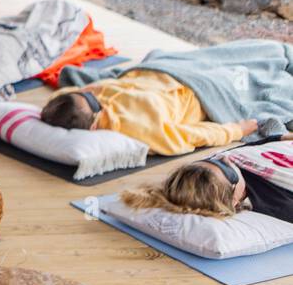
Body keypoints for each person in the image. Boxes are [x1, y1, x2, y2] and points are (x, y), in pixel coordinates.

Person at [41, 71, 259, 156]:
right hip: (194, 89)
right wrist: (236, 130)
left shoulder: (82, 100)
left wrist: (86, 93)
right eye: (91, 101)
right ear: (94, 126)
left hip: (161, 69)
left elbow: (63, 96)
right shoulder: (137, 127)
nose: (92, 94)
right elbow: (191, 134)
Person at [122, 136, 293, 223]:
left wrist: (281, 137)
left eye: (213, 160)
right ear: (233, 200)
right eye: (227, 169)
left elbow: (257, 144)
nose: (226, 160)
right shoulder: (278, 201)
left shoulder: (219, 166)